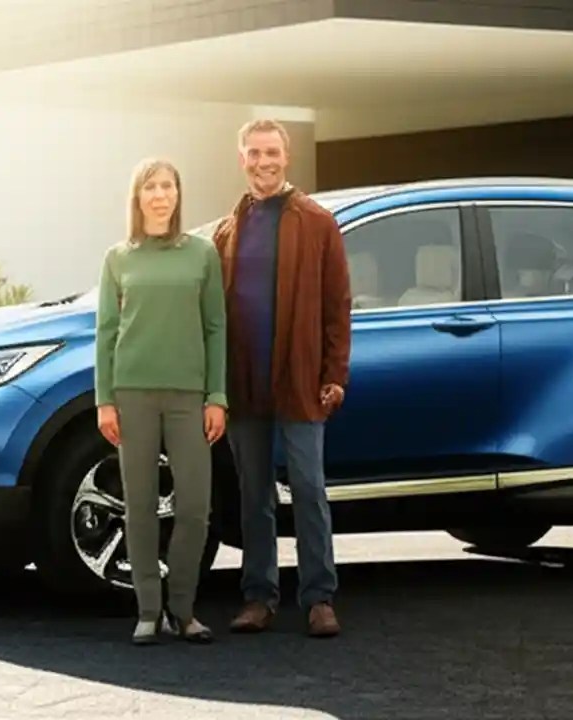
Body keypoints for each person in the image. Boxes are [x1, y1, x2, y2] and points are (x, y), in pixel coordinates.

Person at [212, 118, 351, 638]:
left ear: (286, 158)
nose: (263, 161)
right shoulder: (229, 230)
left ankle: (319, 598)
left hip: (300, 380)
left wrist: (334, 373)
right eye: (254, 153)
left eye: (272, 152)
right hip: (245, 383)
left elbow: (338, 306)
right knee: (254, 495)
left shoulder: (317, 223)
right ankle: (258, 596)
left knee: (309, 491)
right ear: (242, 159)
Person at [94, 157, 228, 645]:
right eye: (150, 186)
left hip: (189, 396)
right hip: (132, 395)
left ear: (177, 195)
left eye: (167, 185)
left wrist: (216, 395)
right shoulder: (118, 258)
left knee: (195, 506)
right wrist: (104, 400)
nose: (159, 194)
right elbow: (105, 332)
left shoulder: (202, 254)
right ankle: (148, 610)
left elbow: (216, 328)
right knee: (141, 506)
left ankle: (184, 610)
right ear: (138, 197)